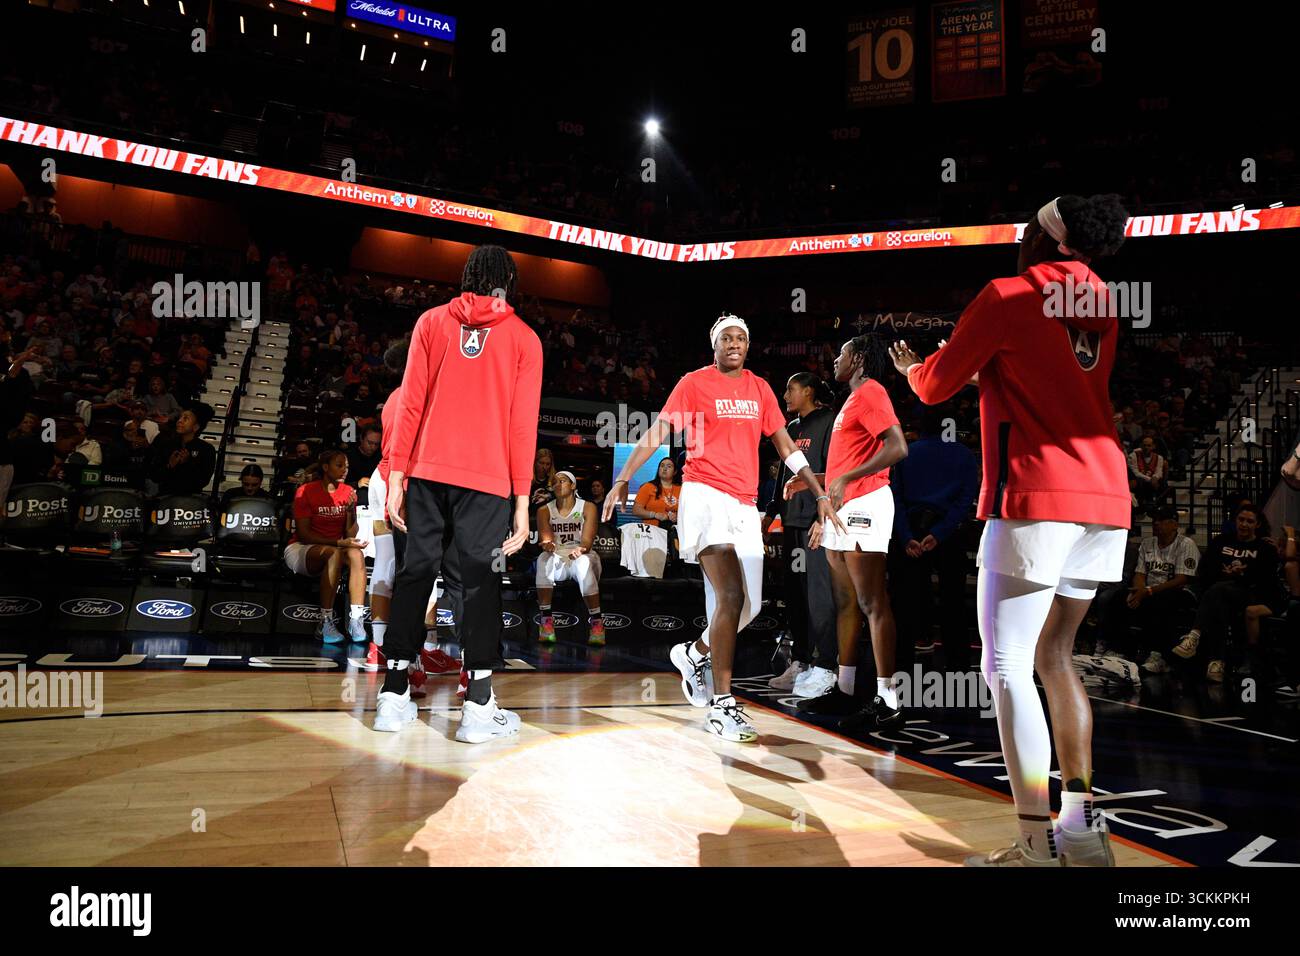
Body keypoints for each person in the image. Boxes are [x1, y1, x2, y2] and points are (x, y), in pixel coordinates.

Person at [890, 193, 1132, 867]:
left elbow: (935, 385)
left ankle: (1033, 845)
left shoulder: (1007, 291)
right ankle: (1081, 830)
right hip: (1104, 495)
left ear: (1039, 241)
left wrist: (915, 368)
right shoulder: (1103, 299)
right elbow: (1051, 380)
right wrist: (990, 374)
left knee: (1004, 668)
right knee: (1056, 659)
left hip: (1037, 493)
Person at [603, 313, 844, 742]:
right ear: (714, 345)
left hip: (743, 504)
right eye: (726, 338)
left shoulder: (759, 388)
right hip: (704, 496)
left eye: (741, 338)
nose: (734, 343)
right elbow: (657, 432)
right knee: (729, 596)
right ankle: (722, 704)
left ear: (747, 346)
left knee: (749, 609)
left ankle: (694, 654)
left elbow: (785, 446)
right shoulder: (694, 383)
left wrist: (819, 491)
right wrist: (624, 478)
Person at [381, 245, 542, 741]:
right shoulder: (525, 339)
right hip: (488, 482)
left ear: (467, 276)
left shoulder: (431, 322)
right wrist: (521, 502)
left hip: (426, 473)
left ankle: (392, 697)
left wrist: (395, 476)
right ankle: (478, 708)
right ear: (509, 283)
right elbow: (522, 428)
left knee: (415, 575)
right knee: (480, 584)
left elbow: (410, 406)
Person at [791, 334, 908, 730]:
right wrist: (820, 481)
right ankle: (844, 689)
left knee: (872, 601)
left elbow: (897, 447)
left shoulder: (872, 391)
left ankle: (888, 698)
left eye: (840, 353)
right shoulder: (852, 399)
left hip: (867, 504)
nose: (835, 360)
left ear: (857, 359)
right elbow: (850, 463)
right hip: (843, 506)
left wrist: (848, 478)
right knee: (845, 602)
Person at [889, 406, 981, 669]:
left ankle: (900, 670)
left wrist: (907, 536)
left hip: (910, 533)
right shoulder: (964, 455)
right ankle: (958, 667)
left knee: (905, 604)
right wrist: (939, 534)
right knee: (953, 603)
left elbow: (895, 497)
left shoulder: (906, 454)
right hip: (948, 535)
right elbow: (965, 502)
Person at [765, 373, 838, 693]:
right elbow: (783, 475)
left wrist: (824, 517)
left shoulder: (830, 423)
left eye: (790, 389)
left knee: (819, 596)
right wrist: (769, 515)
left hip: (816, 521)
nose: (785, 395)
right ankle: (801, 661)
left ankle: (826, 665)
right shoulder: (791, 429)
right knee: (794, 596)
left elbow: (836, 472)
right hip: (792, 522)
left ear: (808, 391)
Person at [1172, 502, 1280, 682]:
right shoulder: (1221, 541)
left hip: (1249, 593)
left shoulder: (1264, 548)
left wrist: (1242, 574)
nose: (1244, 524)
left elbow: (1265, 580)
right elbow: (1206, 569)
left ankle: (1196, 638)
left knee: (1218, 592)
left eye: (1250, 521)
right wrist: (1225, 573)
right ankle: (1216, 664)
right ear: (1235, 521)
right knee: (1218, 600)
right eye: (1241, 519)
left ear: (1257, 524)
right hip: (1220, 592)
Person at [1090, 505, 1200, 671]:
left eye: (1161, 521)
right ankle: (1121, 650)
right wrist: (1138, 591)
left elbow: (1182, 579)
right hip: (1149, 590)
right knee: (1118, 597)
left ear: (1174, 524)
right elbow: (1139, 573)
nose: (1156, 524)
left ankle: (1159, 655)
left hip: (1180, 592)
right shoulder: (1148, 543)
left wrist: (1148, 591)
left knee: (1161, 602)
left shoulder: (1186, 544)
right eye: (1155, 520)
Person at [283, 449, 368, 644]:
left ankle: (356, 619)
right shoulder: (305, 491)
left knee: (356, 554)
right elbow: (304, 535)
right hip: (302, 548)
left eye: (346, 466)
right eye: (339, 466)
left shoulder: (348, 491)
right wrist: (339, 543)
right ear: (325, 467)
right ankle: (325, 621)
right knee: (334, 554)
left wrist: (351, 512)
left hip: (335, 549)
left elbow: (350, 534)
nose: (345, 470)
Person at [536, 470, 605, 645]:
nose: (558, 484)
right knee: (543, 559)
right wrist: (548, 544)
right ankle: (546, 623)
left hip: (584, 555)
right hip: (559, 556)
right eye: (555, 482)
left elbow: (587, 542)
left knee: (582, 563)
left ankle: (597, 624)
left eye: (563, 481)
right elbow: (547, 538)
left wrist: (580, 550)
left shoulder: (587, 506)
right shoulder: (544, 510)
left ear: (573, 485)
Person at [145, 404, 216, 496]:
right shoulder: (166, 444)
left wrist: (187, 463)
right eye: (180, 418)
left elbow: (203, 481)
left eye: (185, 419)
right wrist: (169, 466)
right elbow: (154, 476)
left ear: (196, 427)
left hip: (191, 500)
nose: (179, 421)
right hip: (165, 497)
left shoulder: (206, 449)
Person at [631, 457, 681, 527]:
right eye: (662, 466)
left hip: (675, 532)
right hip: (652, 533)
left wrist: (678, 516)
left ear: (675, 472)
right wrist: (655, 515)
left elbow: (689, 512)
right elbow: (636, 510)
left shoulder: (681, 489)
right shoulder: (647, 486)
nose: (664, 469)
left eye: (669, 466)